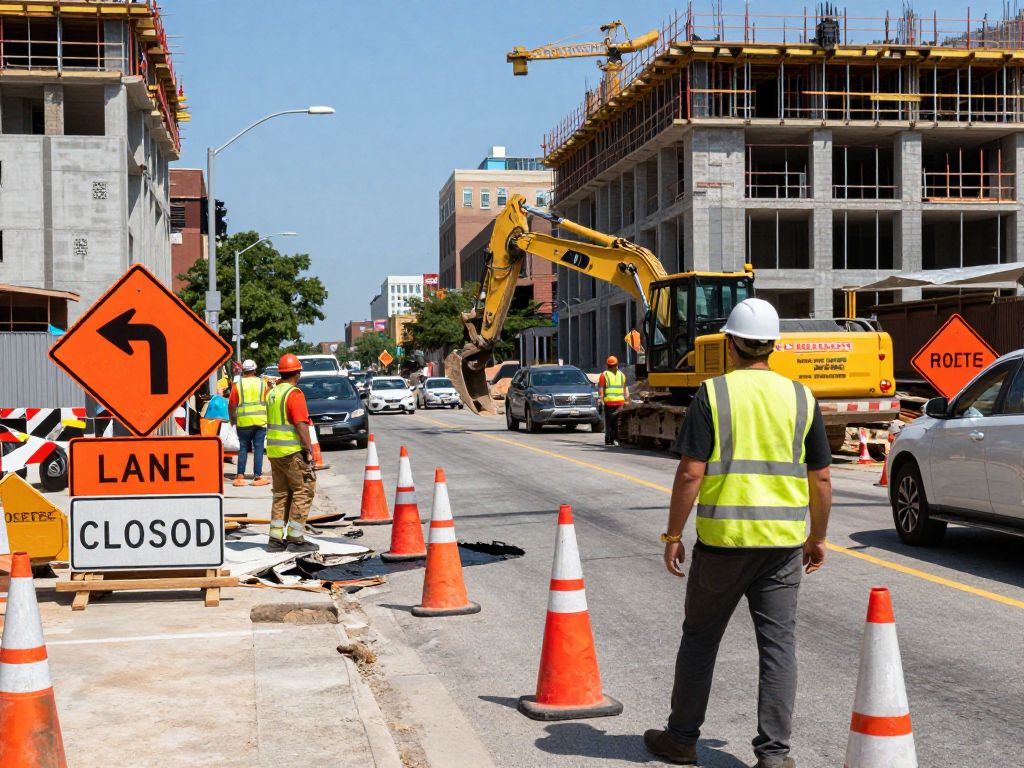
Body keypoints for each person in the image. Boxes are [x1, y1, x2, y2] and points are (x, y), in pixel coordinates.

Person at [644, 298, 832, 768]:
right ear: (773, 346)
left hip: (723, 546)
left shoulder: (713, 394)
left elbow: (691, 473)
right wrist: (818, 537)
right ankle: (774, 755)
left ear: (730, 344)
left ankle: (682, 739)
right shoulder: (801, 397)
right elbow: (822, 479)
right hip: (783, 549)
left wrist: (672, 535)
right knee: (778, 648)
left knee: (700, 640)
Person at [265, 353, 318, 553]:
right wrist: (309, 449)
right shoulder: (293, 394)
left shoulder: (272, 393)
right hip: (292, 452)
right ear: (297, 373)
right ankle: (295, 537)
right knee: (304, 490)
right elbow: (300, 423)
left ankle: (275, 539)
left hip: (275, 452)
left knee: (281, 494)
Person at [229, 359, 270, 487]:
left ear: (243, 370)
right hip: (260, 421)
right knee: (258, 449)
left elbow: (232, 404)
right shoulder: (263, 384)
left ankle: (240, 476)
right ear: (255, 370)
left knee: (243, 448)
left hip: (244, 421)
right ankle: (257, 476)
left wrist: (232, 419)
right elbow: (268, 401)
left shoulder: (238, 384)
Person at [598, 355, 629, 446]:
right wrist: (627, 399)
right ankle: (612, 439)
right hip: (617, 403)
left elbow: (601, 388)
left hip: (611, 402)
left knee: (611, 423)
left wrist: (601, 400)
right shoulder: (621, 375)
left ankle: (610, 439)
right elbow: (625, 389)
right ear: (617, 364)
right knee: (615, 422)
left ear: (607, 365)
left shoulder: (604, 375)